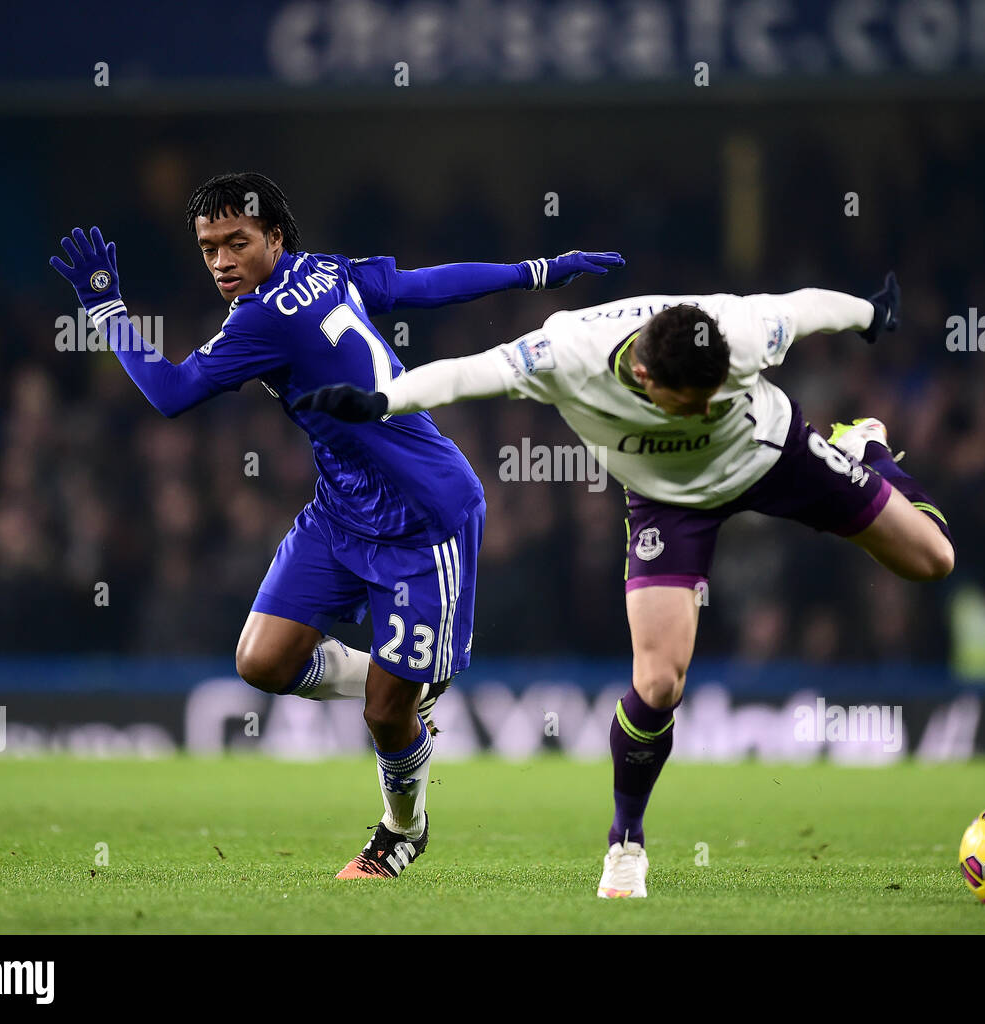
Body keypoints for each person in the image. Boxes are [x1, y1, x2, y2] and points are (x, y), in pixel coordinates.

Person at [293, 274, 954, 896]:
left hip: (772, 455)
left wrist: (870, 313)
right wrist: (382, 401)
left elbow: (807, 307)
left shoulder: (738, 329)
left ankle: (866, 449)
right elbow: (469, 374)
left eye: (713, 394)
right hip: (670, 504)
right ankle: (626, 845)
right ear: (641, 373)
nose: (700, 412)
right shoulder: (566, 354)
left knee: (933, 561)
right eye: (685, 402)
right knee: (659, 683)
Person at [49, 171, 623, 878]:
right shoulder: (325, 272)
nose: (222, 261)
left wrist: (106, 307)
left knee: (385, 716)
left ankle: (401, 830)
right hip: (341, 511)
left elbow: (170, 394)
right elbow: (424, 286)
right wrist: (532, 272)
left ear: (274, 238)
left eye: (237, 242)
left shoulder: (261, 319)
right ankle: (411, 681)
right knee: (261, 662)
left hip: (424, 517)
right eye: (208, 248)